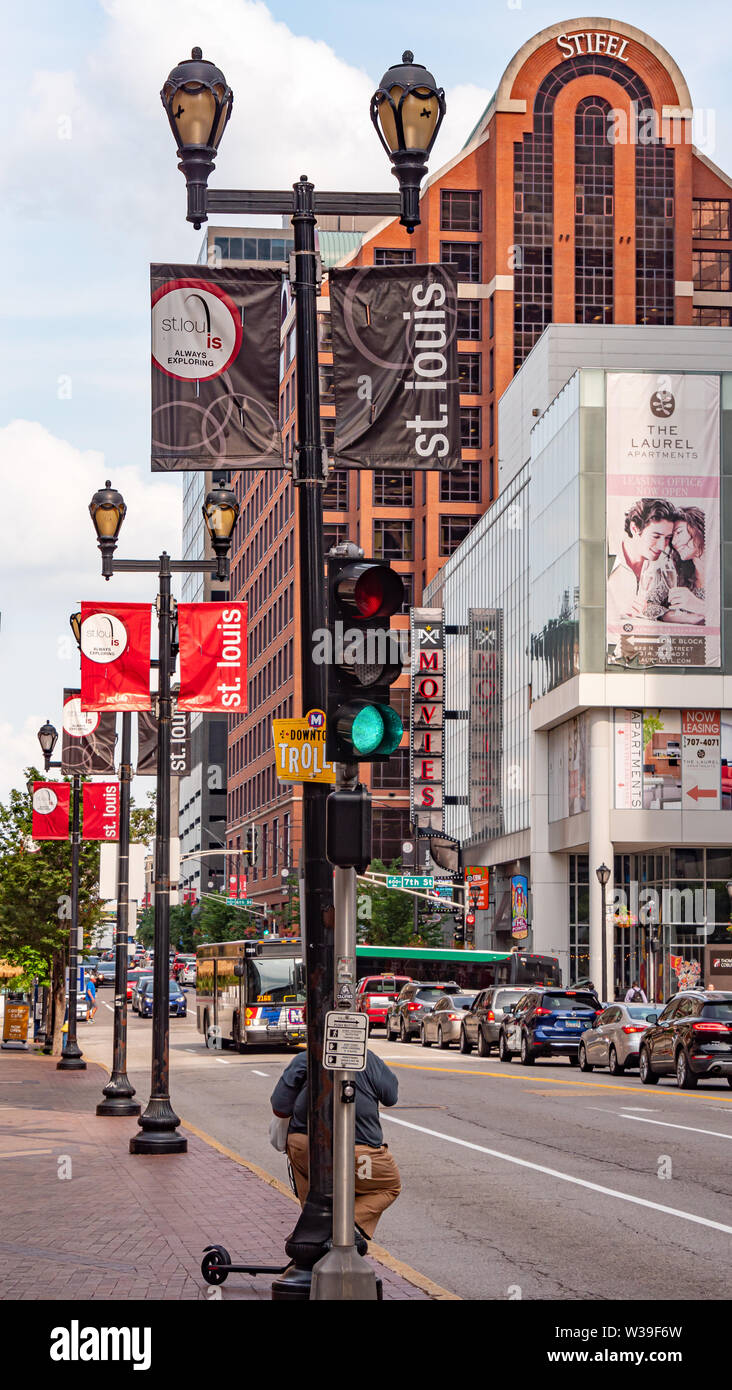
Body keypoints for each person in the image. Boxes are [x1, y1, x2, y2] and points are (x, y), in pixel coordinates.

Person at [270, 1049, 401, 1240]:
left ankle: (313, 1232)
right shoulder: (366, 1058)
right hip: (360, 1151)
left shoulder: (305, 1058)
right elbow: (391, 1096)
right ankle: (338, 1229)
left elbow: (280, 1108)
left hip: (307, 1147)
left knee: (308, 1170)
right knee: (389, 1186)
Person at [606, 498, 678, 627]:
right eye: (656, 536)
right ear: (634, 528)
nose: (662, 546)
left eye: (667, 538)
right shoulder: (606, 562)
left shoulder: (664, 568)